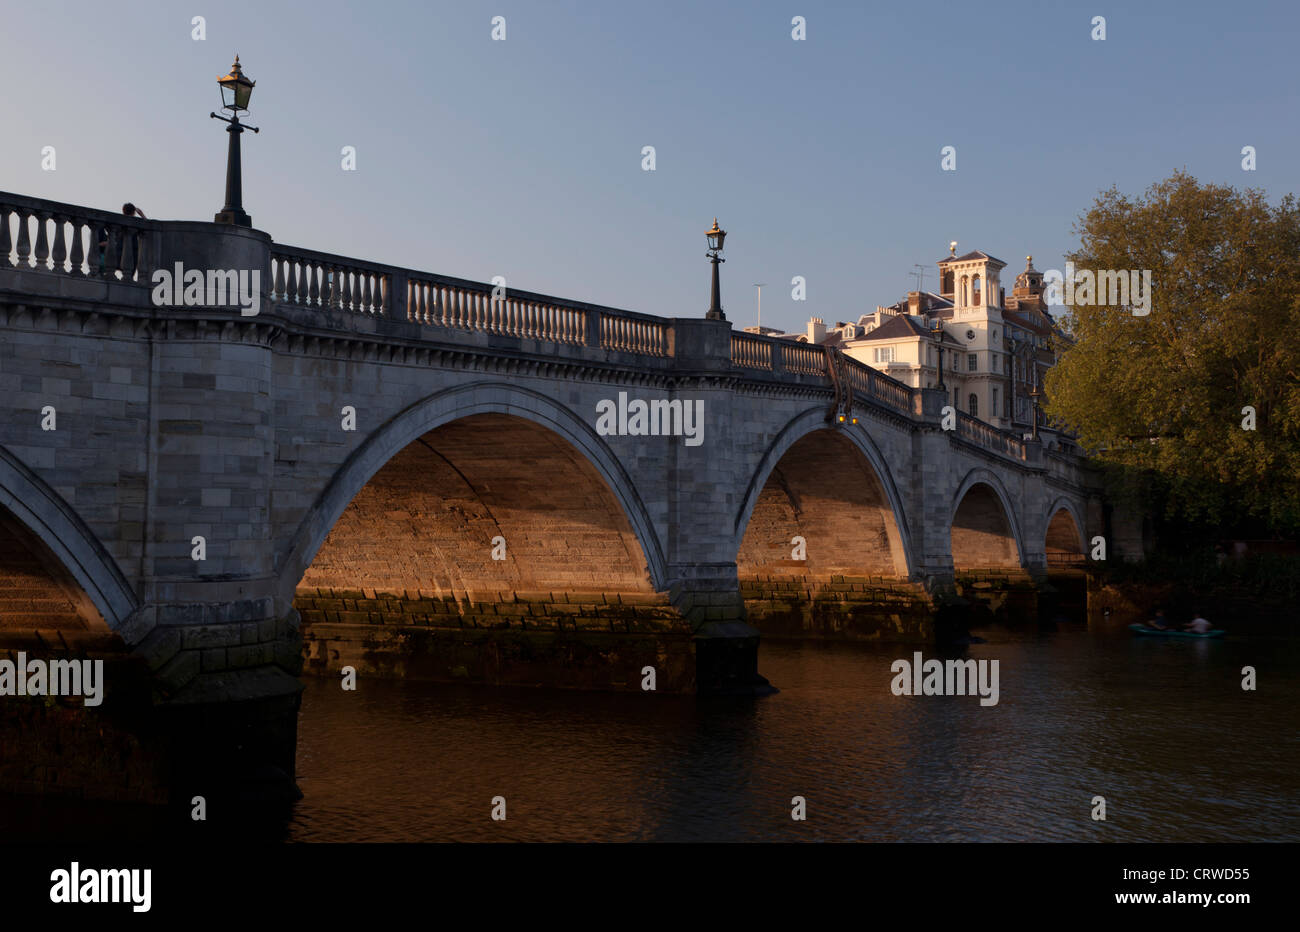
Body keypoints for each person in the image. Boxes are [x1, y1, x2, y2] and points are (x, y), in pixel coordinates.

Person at [97, 203, 147, 273]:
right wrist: (142, 214)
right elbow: (147, 228)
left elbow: (113, 240)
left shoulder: (119, 223)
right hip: (129, 256)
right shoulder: (135, 224)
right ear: (133, 213)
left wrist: (104, 244)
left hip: (117, 255)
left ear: (123, 211)